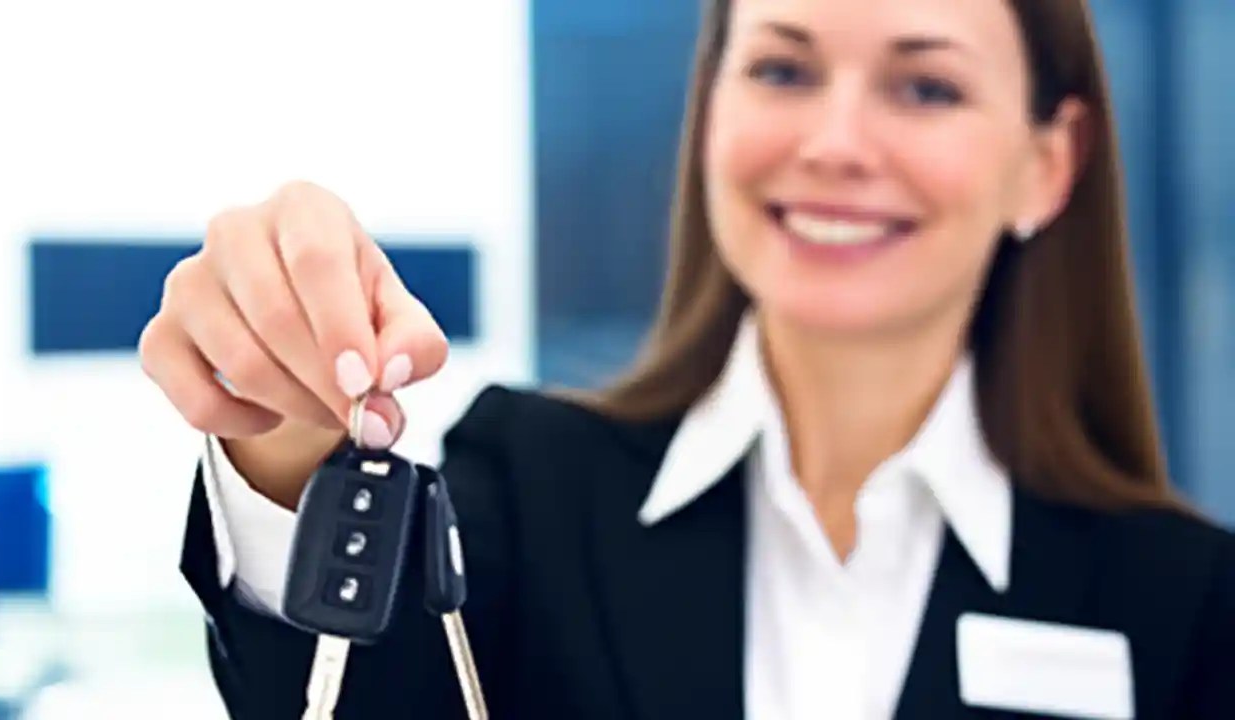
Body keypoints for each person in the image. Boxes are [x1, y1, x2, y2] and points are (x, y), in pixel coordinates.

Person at [139, 0, 1235, 717]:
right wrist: (285, 424)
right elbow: (338, 692)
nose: (834, 144)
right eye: (782, 69)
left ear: (1048, 163)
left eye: (925, 88)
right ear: (710, 110)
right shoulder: (528, 486)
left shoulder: (1186, 604)